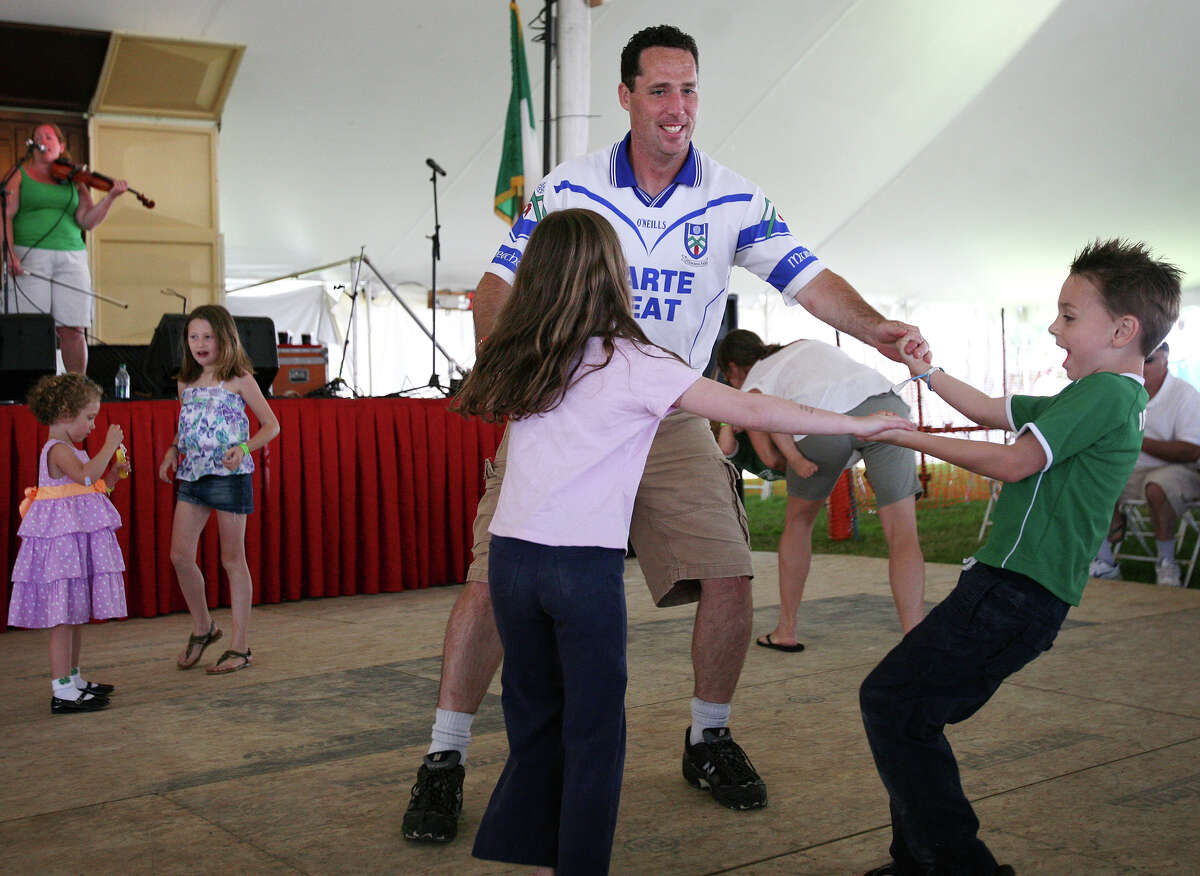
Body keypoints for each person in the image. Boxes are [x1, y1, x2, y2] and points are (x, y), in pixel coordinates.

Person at [403, 23, 931, 842]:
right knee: (491, 584)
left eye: (688, 90)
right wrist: (518, 379)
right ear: (626, 96)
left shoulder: (733, 196)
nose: (677, 107)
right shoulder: (569, 187)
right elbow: (491, 292)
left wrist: (878, 329)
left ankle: (708, 736)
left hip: (676, 412)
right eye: (659, 89)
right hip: (567, 410)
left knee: (728, 575)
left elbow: (809, 279)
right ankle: (443, 757)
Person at [456, 208, 914, 874]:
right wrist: (857, 424)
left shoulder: (521, 354)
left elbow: (487, 307)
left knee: (535, 715)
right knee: (593, 732)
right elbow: (751, 409)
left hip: (513, 564)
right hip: (579, 571)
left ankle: (522, 847)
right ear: (615, 276)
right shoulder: (635, 360)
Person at [857, 239, 1180, 875]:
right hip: (1012, 594)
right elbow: (986, 410)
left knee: (895, 706)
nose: (1055, 328)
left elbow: (1012, 461)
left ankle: (953, 866)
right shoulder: (1090, 394)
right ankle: (924, 861)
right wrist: (926, 371)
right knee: (907, 712)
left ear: (1122, 329)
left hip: (1014, 594)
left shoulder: (1108, 394)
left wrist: (905, 436)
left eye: (1068, 315)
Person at [717, 329, 925, 648]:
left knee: (798, 523)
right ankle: (917, 639)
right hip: (887, 406)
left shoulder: (754, 382)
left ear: (732, 369)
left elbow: (770, 457)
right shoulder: (802, 345)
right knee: (903, 532)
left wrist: (796, 464)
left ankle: (786, 630)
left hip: (825, 426)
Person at [156, 305, 280, 675]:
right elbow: (188, 425)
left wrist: (244, 448)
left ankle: (240, 646)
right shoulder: (185, 383)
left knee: (231, 560)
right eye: (193, 337)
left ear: (224, 338)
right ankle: (203, 626)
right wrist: (172, 449)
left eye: (207, 336)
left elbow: (271, 425)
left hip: (230, 477)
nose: (200, 344)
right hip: (193, 477)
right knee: (180, 555)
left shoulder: (239, 378)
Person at [8, 373, 131, 713]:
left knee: (74, 614)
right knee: (63, 618)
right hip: (61, 549)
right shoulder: (58, 449)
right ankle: (61, 688)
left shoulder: (70, 449)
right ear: (64, 413)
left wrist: (113, 475)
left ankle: (73, 679)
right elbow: (85, 476)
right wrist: (108, 446)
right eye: (89, 417)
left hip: (72, 545)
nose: (93, 425)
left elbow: (92, 487)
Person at [3, 122, 129, 374]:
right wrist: (8, 254)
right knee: (31, 327)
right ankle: (32, 387)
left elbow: (87, 221)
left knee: (73, 327)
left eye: (49, 137)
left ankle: (76, 388)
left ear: (61, 146)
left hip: (71, 256)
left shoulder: (75, 179)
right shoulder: (19, 174)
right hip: (29, 255)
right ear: (32, 146)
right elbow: (4, 214)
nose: (43, 140)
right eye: (38, 137)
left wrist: (110, 198)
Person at [1089, 342, 1200, 586]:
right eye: (1138, 358)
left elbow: (1191, 451)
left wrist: (1135, 441)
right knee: (1091, 476)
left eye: (1149, 359)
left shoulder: (1185, 394)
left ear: (1166, 362)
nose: (1142, 365)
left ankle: (1167, 564)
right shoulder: (1124, 391)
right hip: (1129, 470)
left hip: (1179, 472)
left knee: (1157, 486)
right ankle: (1105, 561)